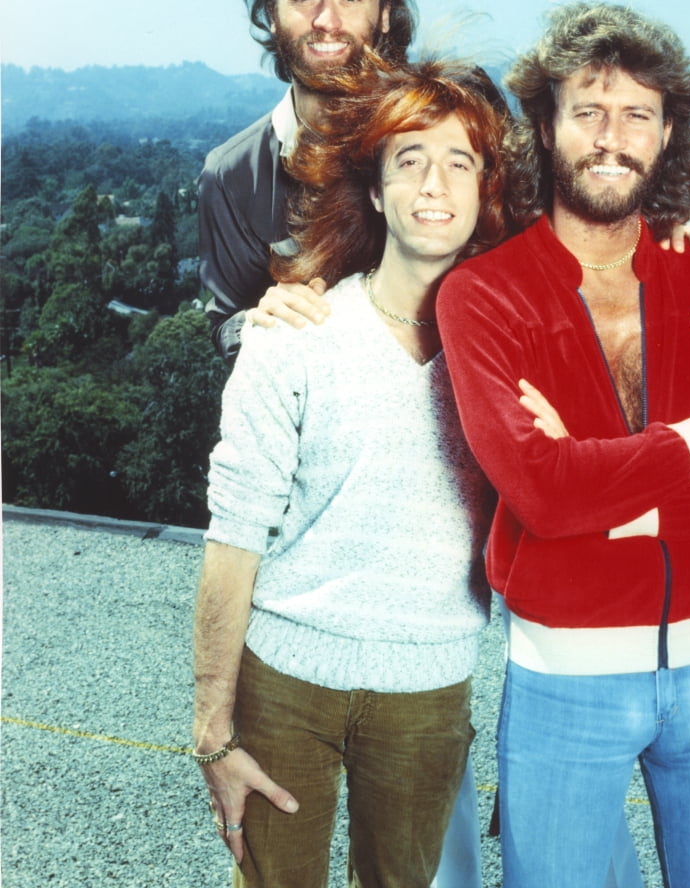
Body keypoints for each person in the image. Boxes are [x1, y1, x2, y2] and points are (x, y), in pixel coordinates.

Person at [436, 1, 690, 888]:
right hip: (564, 682)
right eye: (588, 110)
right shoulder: (484, 296)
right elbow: (545, 493)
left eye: (638, 113)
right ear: (547, 125)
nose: (612, 136)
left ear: (668, 133)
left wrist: (627, 509)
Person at [192, 60, 512, 888]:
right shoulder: (294, 335)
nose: (433, 182)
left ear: (486, 190)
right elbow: (232, 536)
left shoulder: (517, 355)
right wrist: (213, 732)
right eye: (408, 160)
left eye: (459, 161)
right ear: (374, 191)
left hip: (429, 689)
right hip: (286, 682)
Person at [198, 0, 424, 364]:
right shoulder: (232, 174)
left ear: (384, 14)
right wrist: (258, 319)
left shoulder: (442, 130)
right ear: (273, 14)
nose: (326, 20)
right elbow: (225, 324)